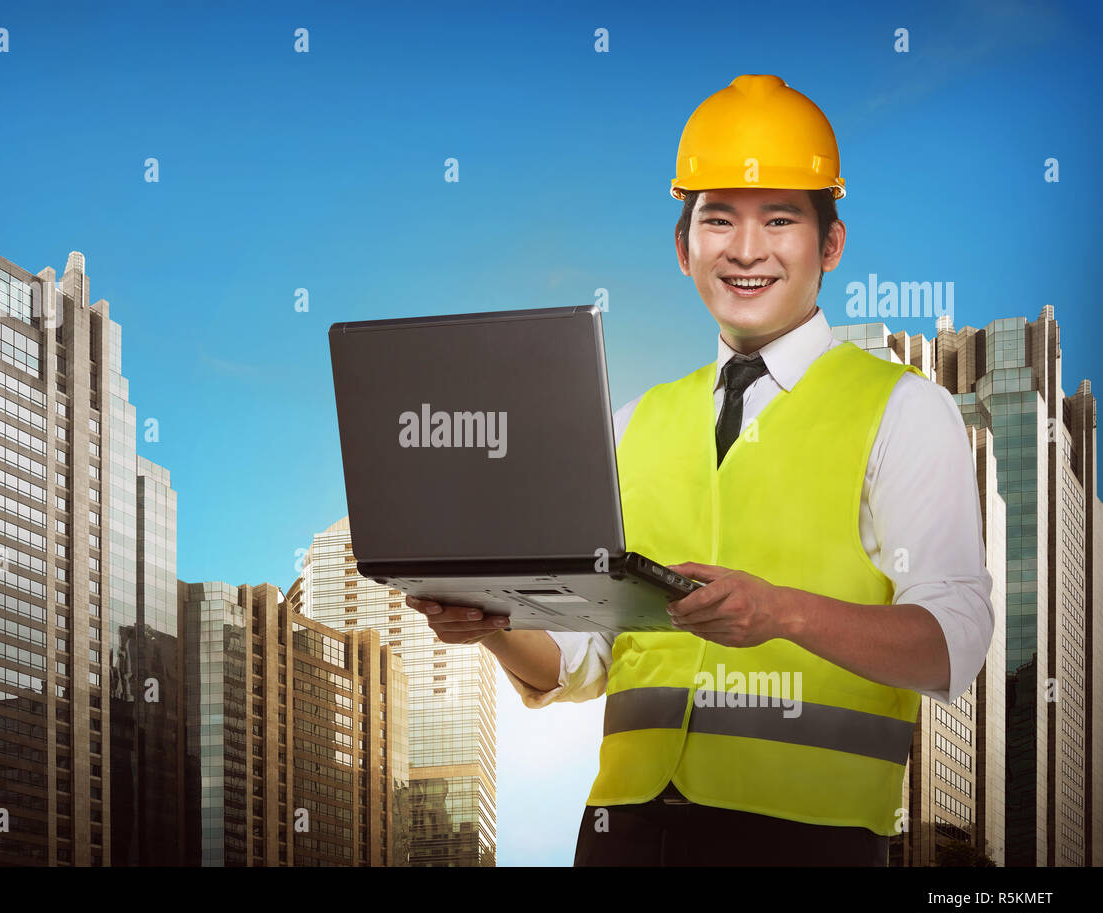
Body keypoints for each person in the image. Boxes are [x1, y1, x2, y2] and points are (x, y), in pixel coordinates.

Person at [407, 75, 996, 866]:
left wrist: (783, 613)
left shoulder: (904, 410)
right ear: (684, 249)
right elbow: (588, 660)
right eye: (718, 220)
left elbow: (953, 643)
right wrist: (495, 626)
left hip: (811, 843)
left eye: (779, 219)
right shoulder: (632, 424)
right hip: (623, 834)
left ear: (830, 244)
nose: (746, 250)